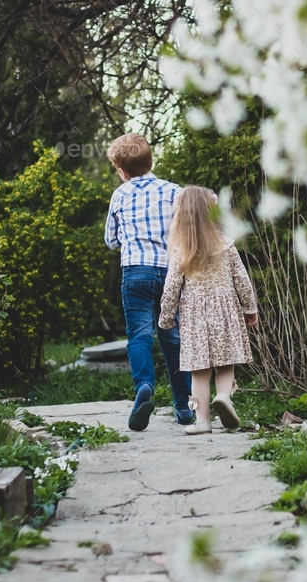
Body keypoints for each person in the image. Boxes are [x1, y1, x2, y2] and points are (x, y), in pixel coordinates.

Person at [105, 132, 193, 431]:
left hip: (136, 272)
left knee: (139, 335)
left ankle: (144, 385)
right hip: (170, 272)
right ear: (151, 160)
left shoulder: (120, 195)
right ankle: (183, 406)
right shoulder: (173, 192)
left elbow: (110, 240)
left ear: (122, 171)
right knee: (172, 339)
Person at [158, 186, 258, 435]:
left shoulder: (182, 251)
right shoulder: (226, 246)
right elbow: (242, 280)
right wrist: (250, 308)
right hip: (226, 313)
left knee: (199, 370)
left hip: (194, 317)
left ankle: (202, 421)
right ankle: (224, 396)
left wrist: (166, 317)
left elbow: (171, 288)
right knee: (225, 364)